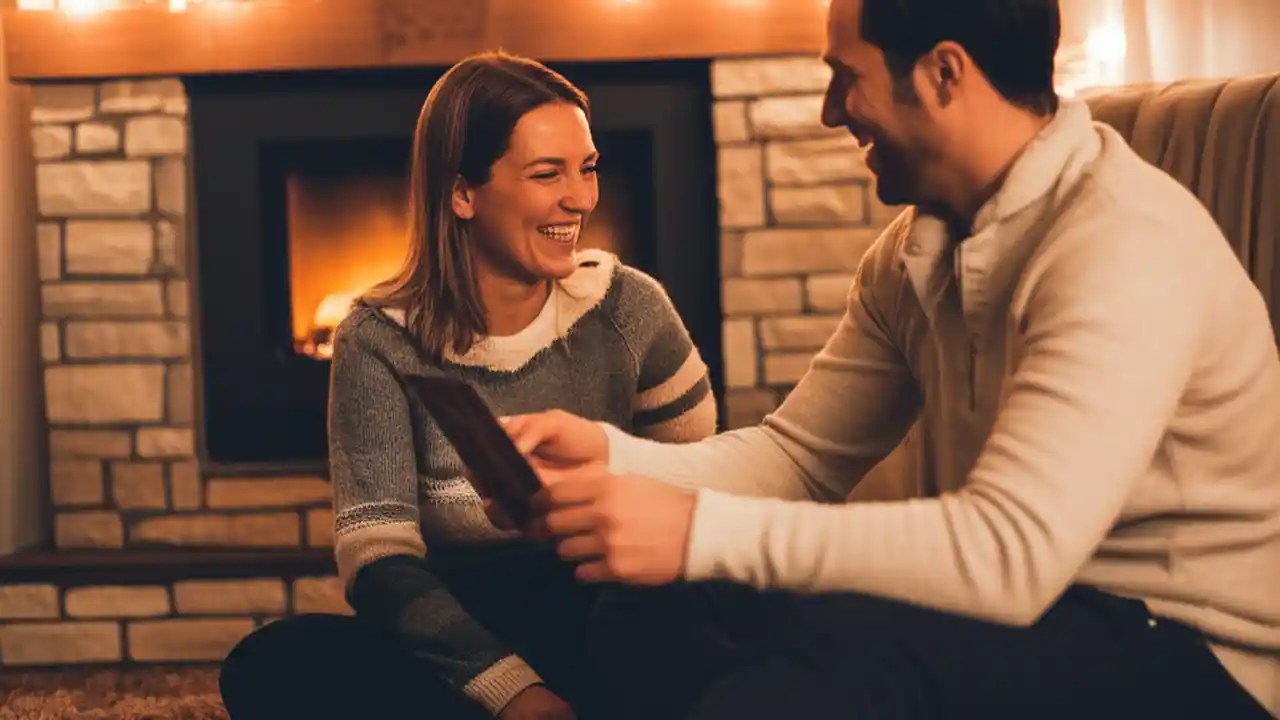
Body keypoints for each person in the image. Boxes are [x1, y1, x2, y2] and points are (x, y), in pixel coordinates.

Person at [495, 0, 1280, 717]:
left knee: (835, 658)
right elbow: (797, 457)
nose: (832, 110)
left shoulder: (1119, 242)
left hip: (1189, 649)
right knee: (646, 604)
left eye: (846, 78)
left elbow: (1012, 551)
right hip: (1025, 607)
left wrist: (699, 529)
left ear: (943, 73)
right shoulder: (913, 255)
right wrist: (611, 459)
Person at [217, 51, 716, 720]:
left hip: (607, 608)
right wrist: (513, 692)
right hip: (459, 633)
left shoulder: (630, 309)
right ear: (462, 193)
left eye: (588, 168)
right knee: (271, 663)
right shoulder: (376, 337)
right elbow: (379, 558)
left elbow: (700, 491)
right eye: (548, 174)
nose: (581, 198)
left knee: (719, 626)